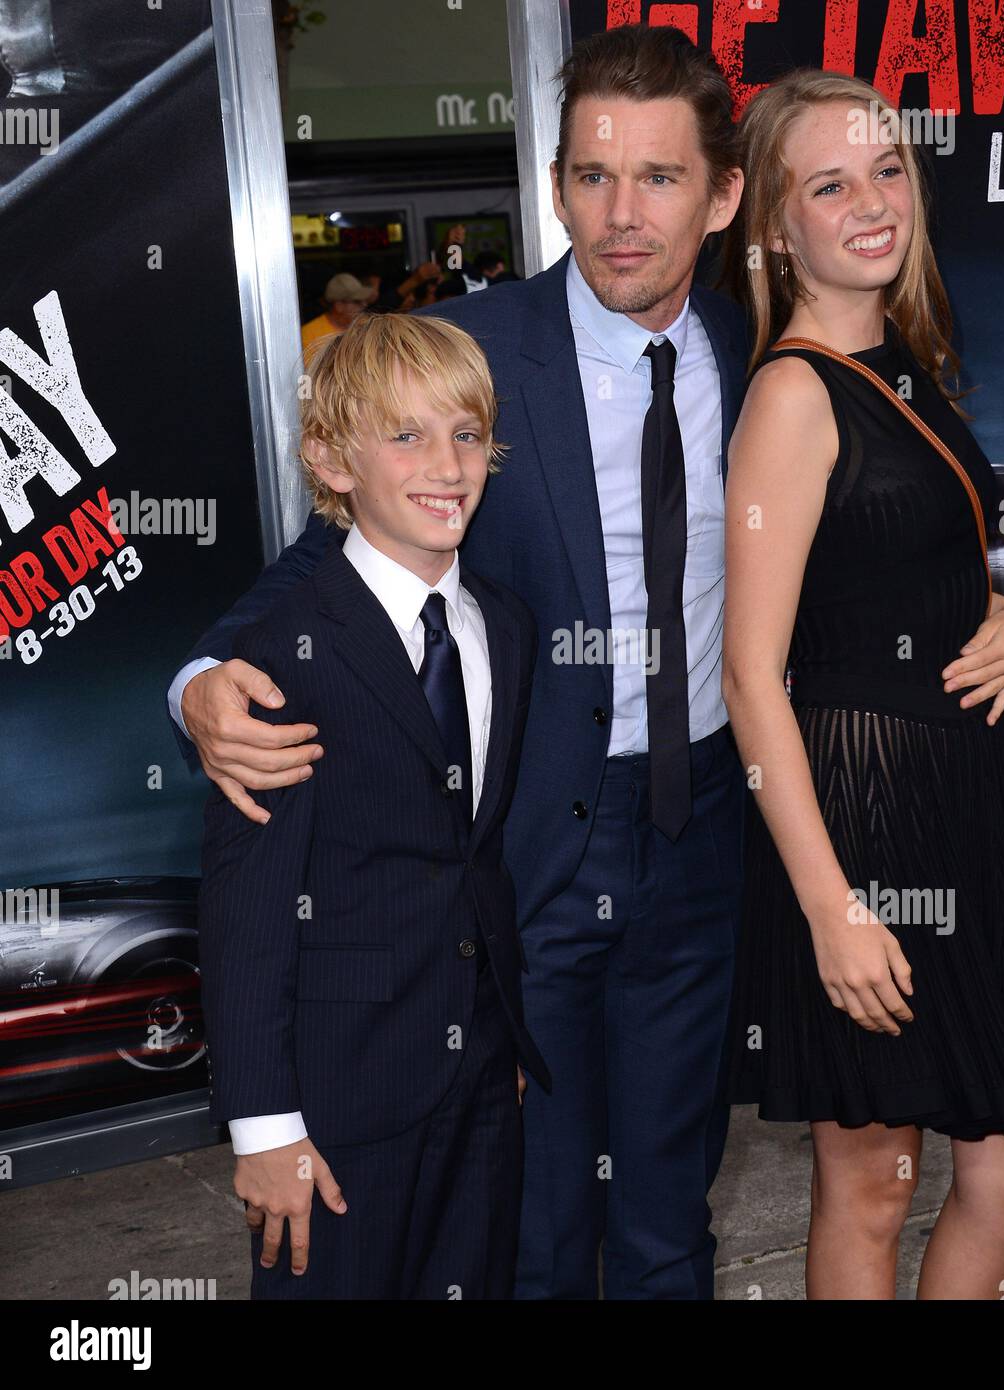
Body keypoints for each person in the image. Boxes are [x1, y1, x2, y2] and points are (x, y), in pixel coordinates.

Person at [167, 23, 748, 1300]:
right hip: (524, 857)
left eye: (659, 178)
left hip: (703, 832)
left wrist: (990, 607)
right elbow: (323, 554)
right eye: (591, 177)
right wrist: (206, 674)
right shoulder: (476, 351)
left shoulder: (761, 349)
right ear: (555, 188)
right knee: (525, 1229)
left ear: (723, 193)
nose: (622, 215)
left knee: (667, 1212)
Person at [719, 69, 1004, 1299]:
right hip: (866, 824)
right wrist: (832, 908)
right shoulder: (791, 392)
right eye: (830, 184)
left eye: (888, 169)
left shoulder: (904, 357)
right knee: (876, 1170)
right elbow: (750, 673)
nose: (872, 201)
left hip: (958, 796)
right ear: (777, 225)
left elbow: (906, 561)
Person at [197, 311, 549, 1299]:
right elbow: (246, 915)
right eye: (407, 435)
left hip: (479, 1082)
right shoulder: (279, 657)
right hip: (335, 1108)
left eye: (468, 435)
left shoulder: (504, 630)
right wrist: (266, 1127)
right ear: (331, 460)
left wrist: (497, 1038)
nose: (448, 465)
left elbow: (476, 858)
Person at [299, 272, 374, 357]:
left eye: (364, 300)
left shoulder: (367, 325)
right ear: (339, 306)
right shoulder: (309, 334)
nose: (364, 304)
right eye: (357, 301)